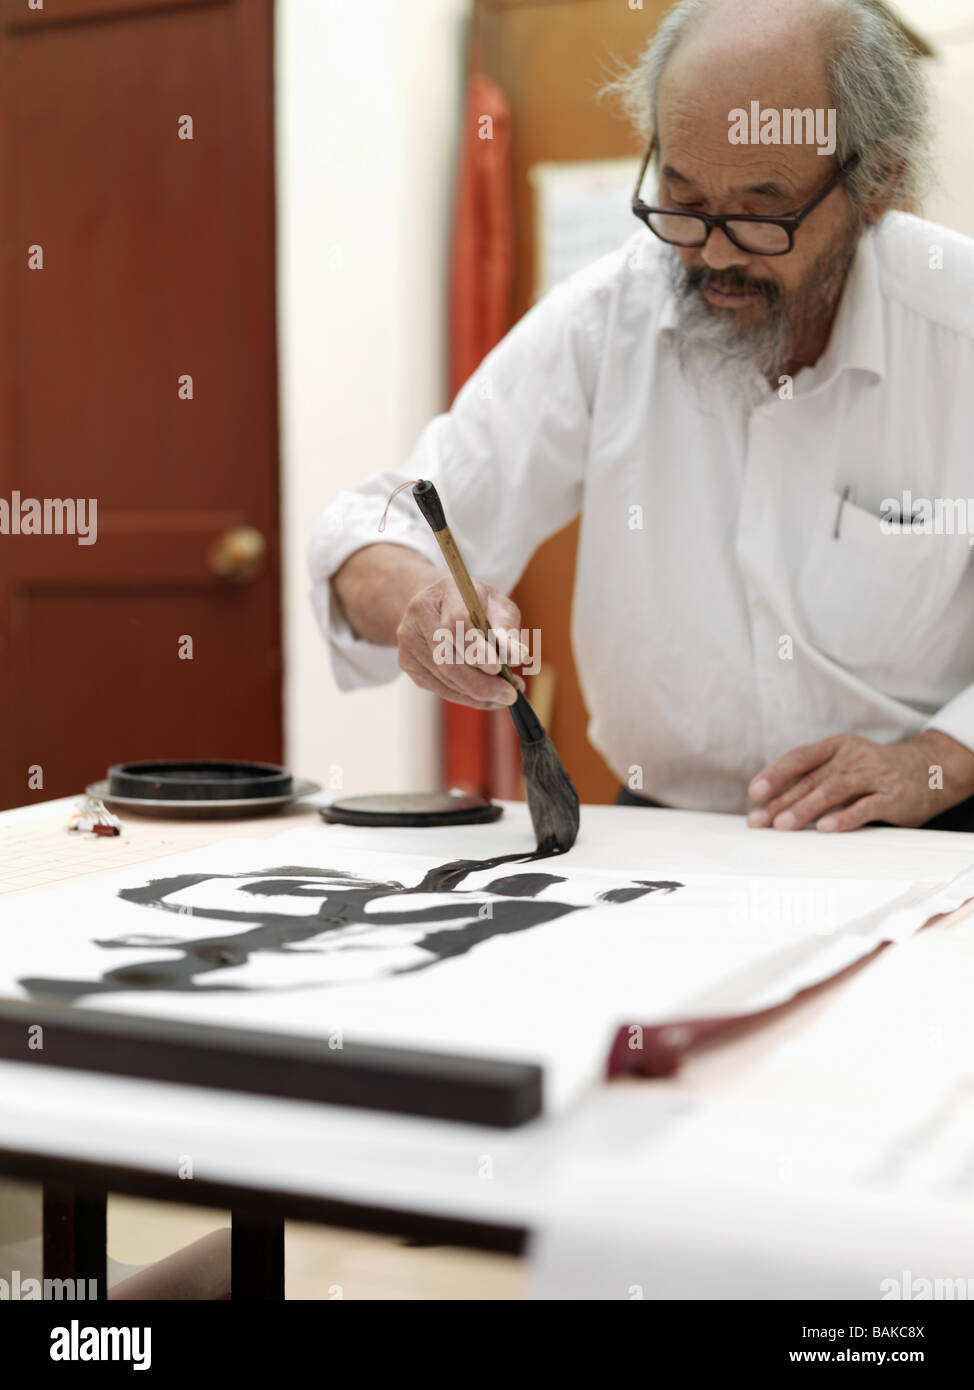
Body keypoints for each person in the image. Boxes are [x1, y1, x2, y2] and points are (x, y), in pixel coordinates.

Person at [309, 0, 974, 834]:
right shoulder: (611, 313)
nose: (715, 254)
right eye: (682, 197)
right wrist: (425, 603)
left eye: (762, 214)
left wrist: (934, 761)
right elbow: (366, 534)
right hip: (670, 835)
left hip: (929, 832)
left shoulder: (958, 328)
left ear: (876, 183)